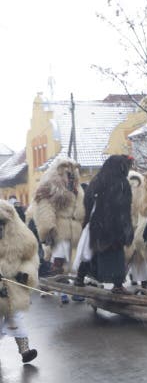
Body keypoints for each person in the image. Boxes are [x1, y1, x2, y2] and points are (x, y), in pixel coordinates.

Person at [74, 155, 135, 294]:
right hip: (115, 226)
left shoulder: (97, 180)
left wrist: (91, 218)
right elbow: (124, 209)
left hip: (97, 223)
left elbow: (87, 201)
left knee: (91, 251)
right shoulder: (121, 183)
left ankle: (80, 276)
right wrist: (127, 230)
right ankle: (118, 285)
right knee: (116, 255)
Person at [26, 156, 84, 276]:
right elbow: (44, 208)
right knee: (59, 257)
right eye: (68, 174)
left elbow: (81, 207)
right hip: (59, 229)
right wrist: (48, 227)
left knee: (73, 262)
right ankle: (57, 281)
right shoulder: (50, 188)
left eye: (72, 174)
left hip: (74, 230)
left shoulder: (77, 189)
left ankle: (71, 288)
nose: (70, 177)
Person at [0, 199, 40, 363]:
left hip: (13, 285)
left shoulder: (21, 237)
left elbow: (30, 258)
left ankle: (25, 351)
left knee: (15, 317)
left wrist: (25, 274)